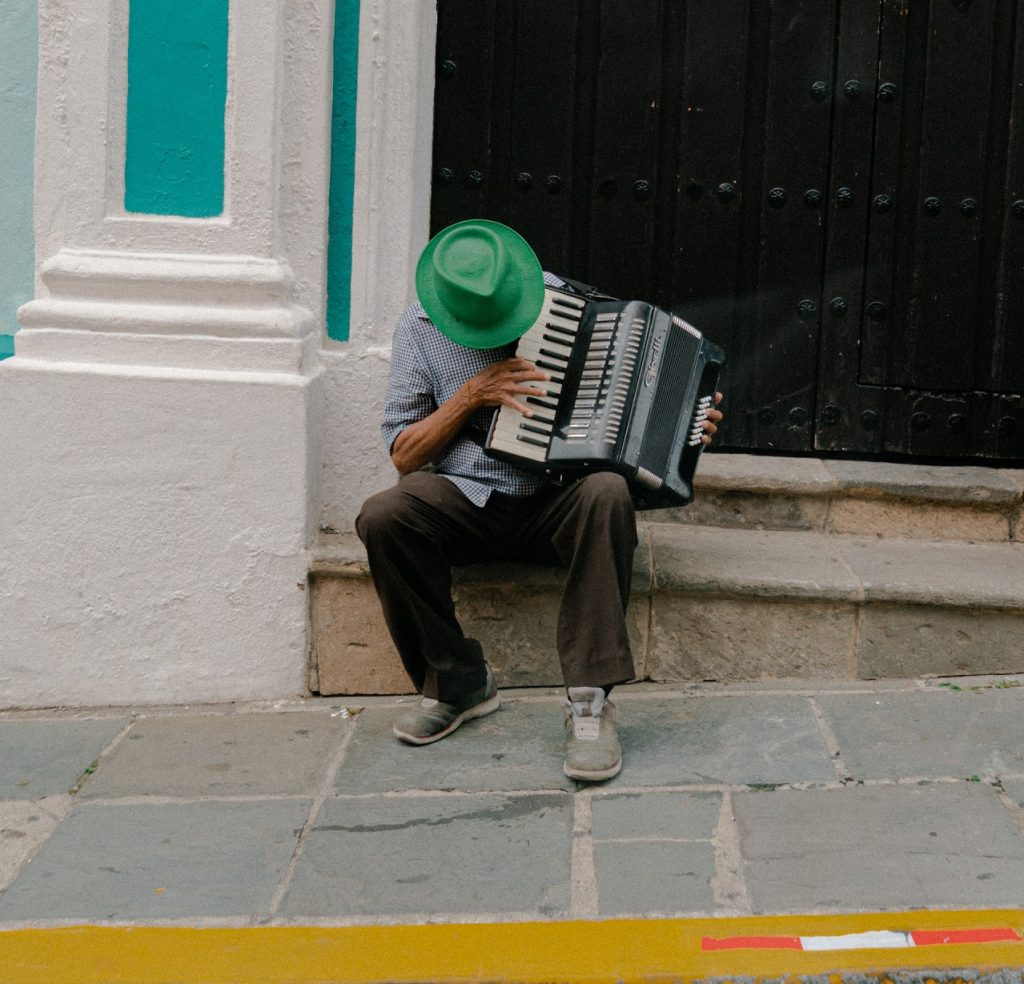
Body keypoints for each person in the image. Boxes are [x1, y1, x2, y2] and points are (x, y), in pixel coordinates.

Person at [356, 219, 723, 782]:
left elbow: (637, 403)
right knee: (383, 515)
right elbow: (404, 454)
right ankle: (458, 684)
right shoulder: (420, 327)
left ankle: (589, 703)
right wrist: (470, 396)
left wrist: (687, 426)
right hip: (468, 497)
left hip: (557, 500)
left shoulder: (571, 307)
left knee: (607, 489)